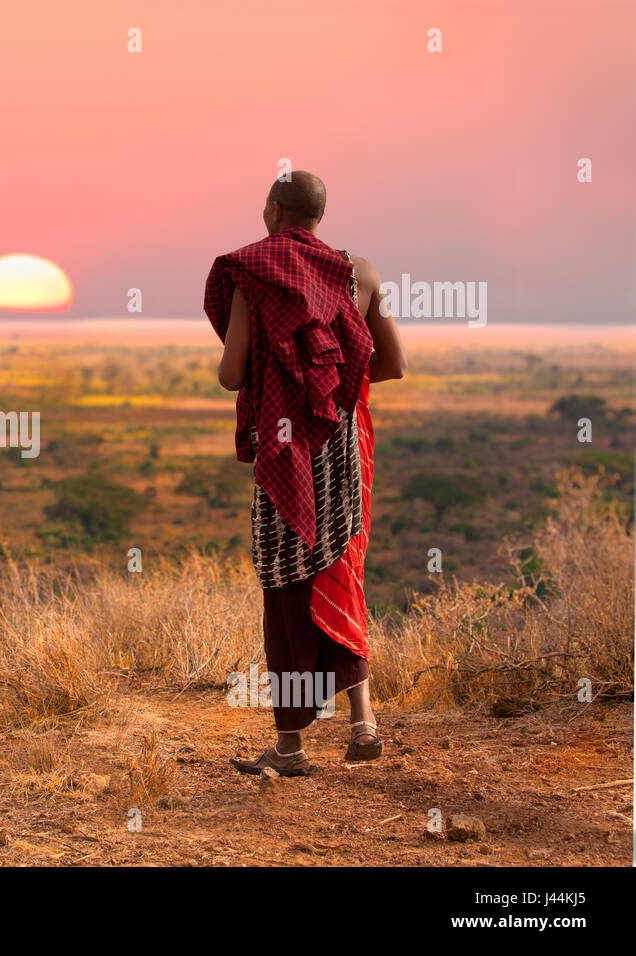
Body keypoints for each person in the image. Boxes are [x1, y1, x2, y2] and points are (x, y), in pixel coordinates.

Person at [205, 171, 407, 776]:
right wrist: (328, 382)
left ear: (272, 210)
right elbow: (392, 363)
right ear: (320, 214)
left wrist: (288, 383)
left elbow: (231, 374)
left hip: (286, 450)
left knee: (288, 588)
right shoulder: (362, 273)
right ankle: (363, 723)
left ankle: (290, 748)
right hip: (339, 445)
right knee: (339, 572)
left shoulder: (252, 273)